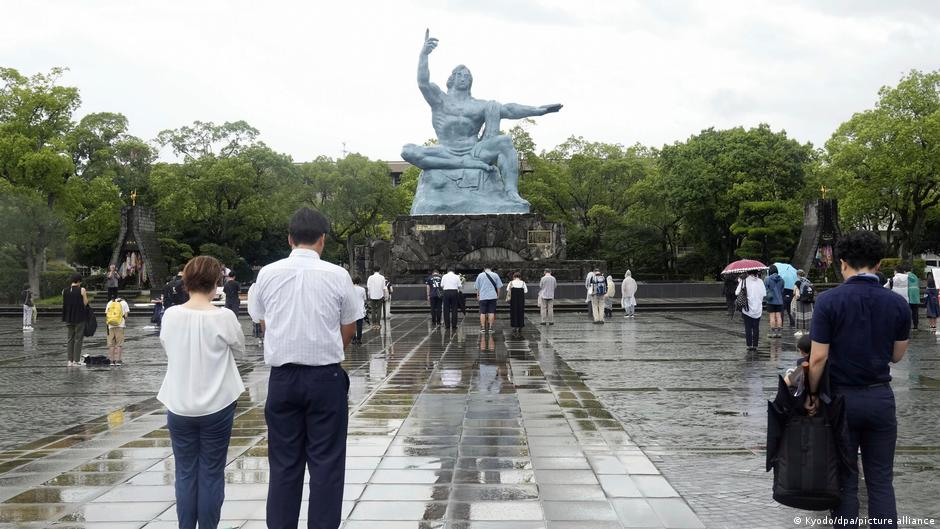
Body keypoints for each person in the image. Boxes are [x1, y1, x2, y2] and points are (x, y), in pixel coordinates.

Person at [247, 208, 362, 529]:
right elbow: (349, 327)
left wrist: (287, 340)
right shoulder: (338, 274)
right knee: (327, 463)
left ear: (289, 238)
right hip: (325, 377)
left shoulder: (267, 273)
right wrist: (327, 350)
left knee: (284, 463)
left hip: (282, 379)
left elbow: (262, 320)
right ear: (322, 240)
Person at [806, 230, 910, 529]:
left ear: (842, 263)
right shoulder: (897, 304)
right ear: (879, 264)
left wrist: (812, 396)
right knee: (880, 480)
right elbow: (897, 356)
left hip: (840, 400)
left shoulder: (828, 301)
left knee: (845, 479)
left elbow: (818, 358)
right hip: (880, 398)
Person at [158, 255, 245, 529]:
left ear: (186, 282)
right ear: (216, 283)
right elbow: (240, 349)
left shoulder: (171, 315)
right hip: (217, 405)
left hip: (179, 404)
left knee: (185, 472)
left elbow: (166, 345)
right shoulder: (224, 317)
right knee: (210, 472)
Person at [61, 274, 89, 367]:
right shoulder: (82, 290)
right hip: (79, 317)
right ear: (79, 281)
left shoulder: (64, 291)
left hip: (68, 317)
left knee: (70, 339)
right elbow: (85, 303)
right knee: (78, 339)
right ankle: (76, 360)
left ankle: (70, 361)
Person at [736, 270, 766, 351]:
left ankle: (749, 345)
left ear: (748, 272)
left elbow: (737, 292)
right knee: (756, 327)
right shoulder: (760, 281)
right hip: (758, 309)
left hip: (747, 308)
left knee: (748, 327)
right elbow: (764, 294)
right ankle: (755, 345)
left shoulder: (744, 281)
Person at [474, 266, 502, 333]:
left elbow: (477, 287)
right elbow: (499, 286)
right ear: (491, 269)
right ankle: (490, 328)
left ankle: (483, 328)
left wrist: (478, 295)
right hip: (492, 296)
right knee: (491, 312)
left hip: (483, 296)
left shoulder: (480, 275)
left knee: (482, 312)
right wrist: (498, 295)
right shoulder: (495, 275)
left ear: (484, 269)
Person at [104, 296, 130, 366]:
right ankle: (118, 360)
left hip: (110, 326)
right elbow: (126, 315)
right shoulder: (124, 303)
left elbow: (107, 314)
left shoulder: (110, 302)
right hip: (120, 325)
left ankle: (112, 361)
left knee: (111, 344)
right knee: (119, 344)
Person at [764, 265, 785, 338]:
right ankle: (779, 333)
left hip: (771, 301)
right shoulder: (782, 279)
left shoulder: (767, 279)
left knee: (772, 316)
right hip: (779, 301)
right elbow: (782, 290)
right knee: (779, 316)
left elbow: (765, 289)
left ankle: (773, 333)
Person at [793, 270, 815, 336]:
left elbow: (794, 291)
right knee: (808, 315)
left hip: (800, 301)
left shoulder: (798, 282)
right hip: (808, 300)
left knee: (800, 316)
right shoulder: (808, 281)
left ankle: (800, 331)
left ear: (798, 275)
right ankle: (808, 330)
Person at [366, 266, 388, 332]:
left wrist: (369, 295)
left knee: (373, 309)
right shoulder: (382, 277)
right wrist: (384, 295)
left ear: (373, 270)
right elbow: (384, 287)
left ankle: (373, 324)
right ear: (379, 270)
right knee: (379, 309)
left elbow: (368, 287)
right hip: (380, 295)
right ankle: (378, 324)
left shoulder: (370, 277)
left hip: (372, 295)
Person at [352, 276, 367, 344]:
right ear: (359, 282)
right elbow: (365, 298)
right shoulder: (362, 289)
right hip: (360, 309)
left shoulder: (350, 289)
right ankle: (359, 339)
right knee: (359, 325)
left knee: (352, 325)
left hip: (351, 309)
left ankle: (353, 338)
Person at [907, 266, 920, 331]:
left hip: (909, 295)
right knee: (915, 311)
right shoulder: (915, 276)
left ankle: (908, 326)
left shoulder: (906, 276)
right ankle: (915, 326)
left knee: (908, 311)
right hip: (916, 296)